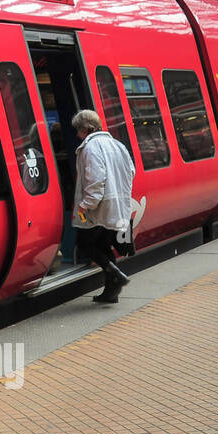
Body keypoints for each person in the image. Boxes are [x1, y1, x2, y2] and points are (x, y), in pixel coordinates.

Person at [71, 109, 137, 303]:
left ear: (85, 129)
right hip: (116, 204)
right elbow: (131, 172)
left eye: (78, 130)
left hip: (98, 207)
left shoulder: (91, 148)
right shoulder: (117, 144)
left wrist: (85, 205)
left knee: (84, 244)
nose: (77, 135)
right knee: (103, 245)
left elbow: (96, 180)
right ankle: (111, 292)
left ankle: (115, 273)